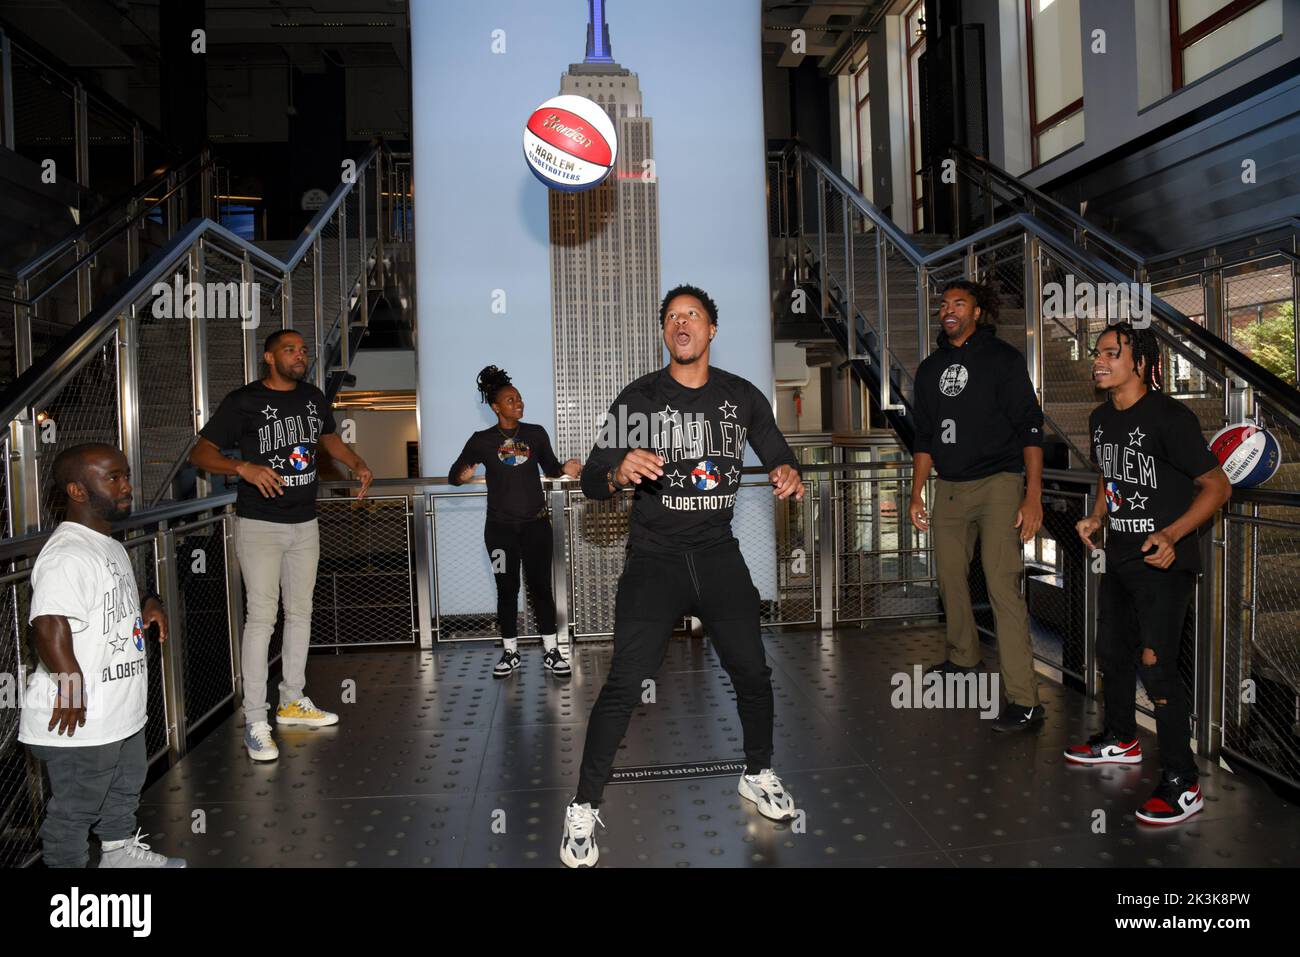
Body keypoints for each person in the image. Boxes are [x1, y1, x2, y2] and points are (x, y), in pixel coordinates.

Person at [559, 284, 805, 868]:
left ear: (711, 330)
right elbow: (592, 478)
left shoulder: (740, 396)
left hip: (718, 555)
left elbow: (777, 450)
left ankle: (758, 771)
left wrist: (789, 470)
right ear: (665, 332)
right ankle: (583, 806)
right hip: (655, 559)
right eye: (671, 317)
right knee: (624, 684)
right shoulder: (638, 398)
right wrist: (618, 471)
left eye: (692, 315)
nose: (681, 323)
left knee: (753, 670)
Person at [1065, 322, 1230, 824]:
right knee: (1112, 652)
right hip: (1120, 558)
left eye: (1112, 353)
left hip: (1165, 565)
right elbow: (1109, 475)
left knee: (1157, 667)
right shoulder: (1099, 418)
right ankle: (1121, 737)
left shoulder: (1170, 418)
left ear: (1140, 363)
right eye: (1097, 352)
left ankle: (1183, 783)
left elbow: (1217, 486)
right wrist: (1099, 515)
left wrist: (1173, 535)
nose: (1099, 360)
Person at [190, 329, 373, 761]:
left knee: (301, 613)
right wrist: (243, 467)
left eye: (303, 349)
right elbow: (201, 453)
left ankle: (292, 700)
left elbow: (326, 438)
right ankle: (256, 718)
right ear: (269, 358)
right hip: (259, 525)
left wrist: (357, 462)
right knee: (261, 619)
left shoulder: (312, 397)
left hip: (305, 523)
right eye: (290, 350)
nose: (301, 355)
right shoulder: (243, 401)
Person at [20, 443, 184, 867]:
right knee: (74, 814)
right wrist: (72, 688)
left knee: (125, 788)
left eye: (125, 474)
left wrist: (148, 602)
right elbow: (48, 623)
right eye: (113, 478)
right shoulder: (67, 552)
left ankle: (118, 854)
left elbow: (104, 604)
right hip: (82, 720)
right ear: (77, 491)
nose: (127, 486)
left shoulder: (105, 542)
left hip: (116, 711)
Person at [908, 279, 1047, 732]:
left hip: (999, 483)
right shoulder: (929, 370)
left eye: (959, 303)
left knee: (1000, 583)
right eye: (944, 304)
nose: (949, 310)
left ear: (978, 312)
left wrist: (1032, 495)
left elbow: (1030, 428)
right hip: (948, 485)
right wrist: (916, 492)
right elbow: (924, 438)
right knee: (949, 576)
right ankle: (963, 658)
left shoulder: (1003, 360)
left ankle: (1025, 700)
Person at [448, 365, 581, 677]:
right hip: (499, 531)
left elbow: (550, 468)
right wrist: (462, 476)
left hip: (536, 526)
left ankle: (552, 650)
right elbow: (455, 474)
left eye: (519, 399)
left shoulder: (535, 434)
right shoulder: (481, 440)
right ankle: (510, 652)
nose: (518, 403)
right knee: (506, 589)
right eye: (510, 400)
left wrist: (567, 469)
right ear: (496, 407)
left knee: (540, 588)